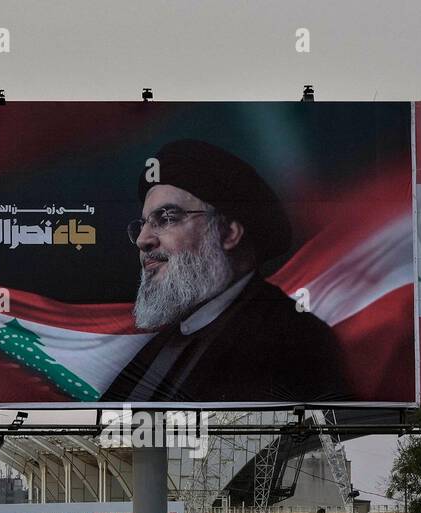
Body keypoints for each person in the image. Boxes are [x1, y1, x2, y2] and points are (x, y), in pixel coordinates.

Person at [101, 139, 350, 404]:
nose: (143, 239)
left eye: (168, 218)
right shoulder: (164, 343)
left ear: (229, 233)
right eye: (143, 224)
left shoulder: (294, 338)